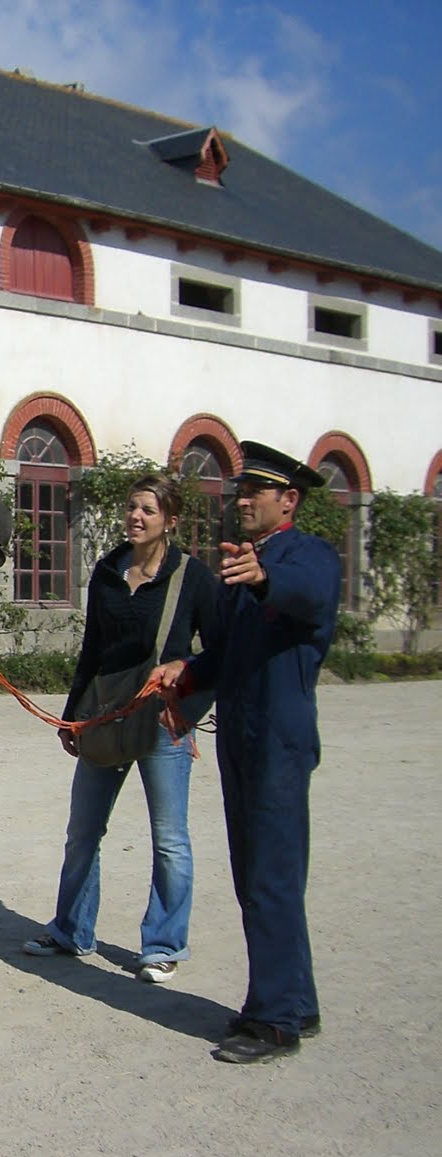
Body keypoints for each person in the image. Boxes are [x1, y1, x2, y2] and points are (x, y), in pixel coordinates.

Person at [152, 442, 339, 1064]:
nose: (243, 501)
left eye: (257, 491)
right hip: (241, 736)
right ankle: (297, 1000)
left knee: (270, 876)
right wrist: (186, 670)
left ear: (290, 500)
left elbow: (309, 595)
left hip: (279, 740)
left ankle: (274, 1020)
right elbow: (228, 654)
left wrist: (265, 578)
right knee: (257, 873)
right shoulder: (241, 566)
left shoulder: (307, 556)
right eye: (241, 491)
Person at [23, 473, 217, 983]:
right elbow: (92, 650)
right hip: (106, 714)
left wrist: (189, 704)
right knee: (82, 831)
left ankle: (163, 945)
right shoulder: (108, 571)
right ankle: (71, 930)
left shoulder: (193, 578)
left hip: (163, 720)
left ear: (170, 520)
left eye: (148, 509)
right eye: (132, 506)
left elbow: (221, 652)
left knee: (169, 839)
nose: (136, 516)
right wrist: (72, 715)